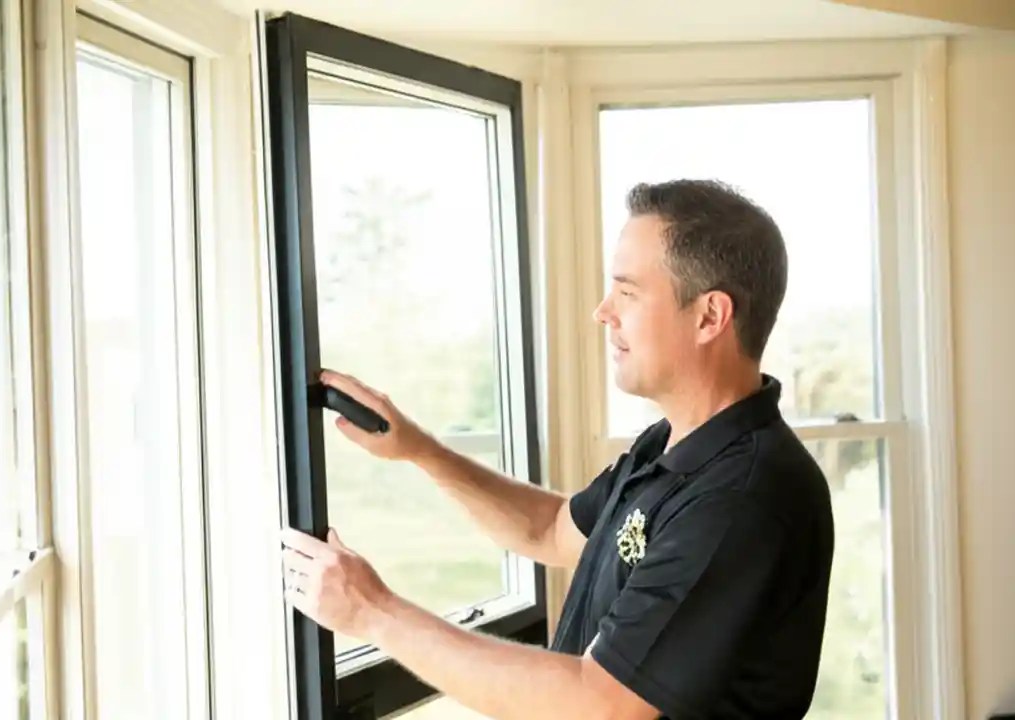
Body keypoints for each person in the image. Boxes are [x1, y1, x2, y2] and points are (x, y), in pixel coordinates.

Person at [281, 179, 835, 719]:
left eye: (627, 291)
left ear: (710, 316)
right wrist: (421, 450)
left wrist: (374, 613)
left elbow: (601, 705)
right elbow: (549, 529)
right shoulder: (670, 446)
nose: (603, 311)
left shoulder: (741, 498)